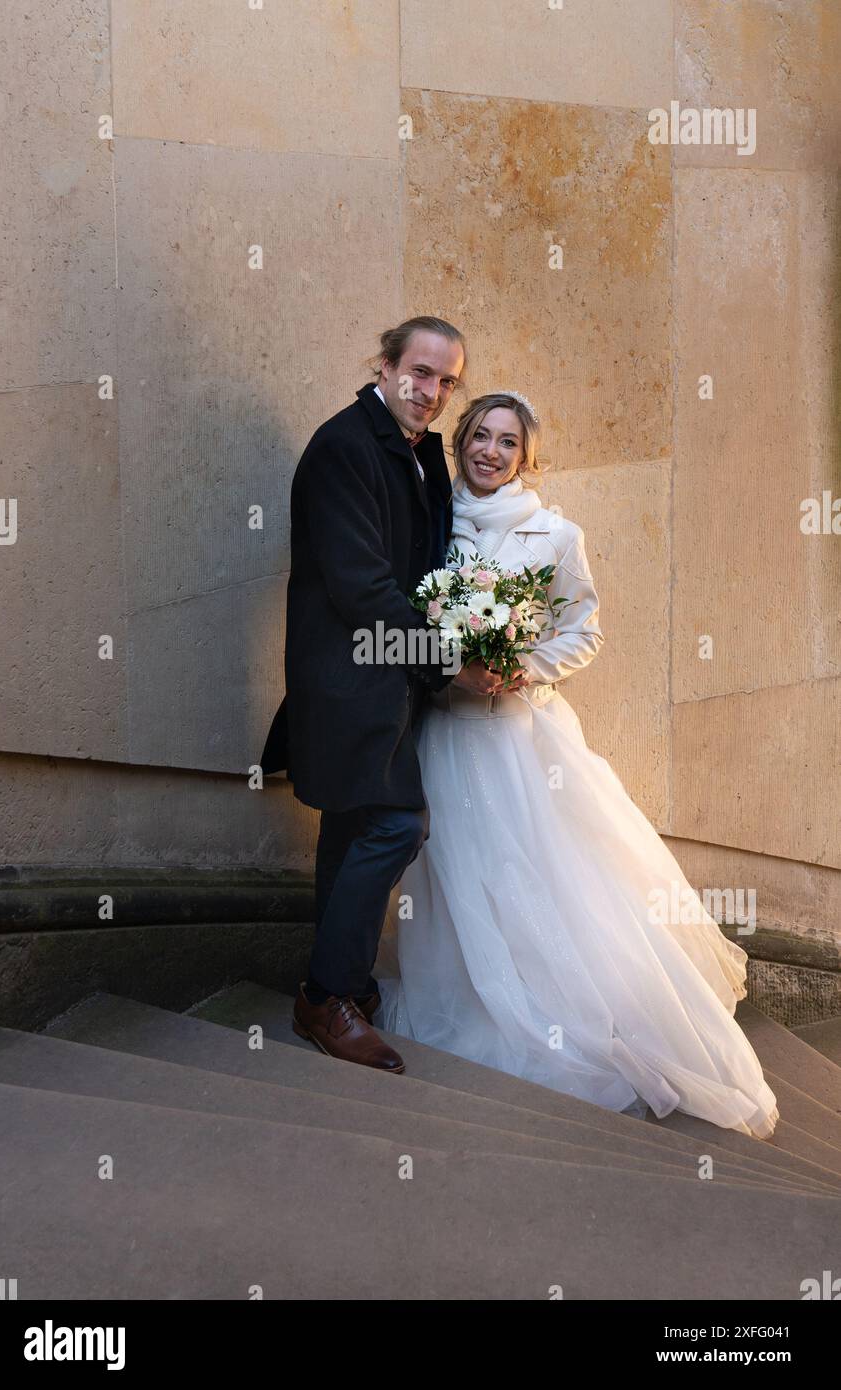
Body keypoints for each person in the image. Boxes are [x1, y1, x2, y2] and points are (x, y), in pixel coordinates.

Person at [375, 390, 779, 1139]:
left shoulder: (555, 532)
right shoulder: (429, 520)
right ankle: (475, 999)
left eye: (506, 441)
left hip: (521, 738)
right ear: (459, 441)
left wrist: (521, 665)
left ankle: (571, 1014)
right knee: (460, 879)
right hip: (443, 730)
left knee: (546, 872)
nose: (489, 451)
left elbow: (582, 632)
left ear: (528, 456)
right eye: (479, 436)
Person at [260, 318, 503, 1073]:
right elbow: (362, 587)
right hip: (350, 678)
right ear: (386, 365)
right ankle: (326, 996)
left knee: (351, 828)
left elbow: (427, 572)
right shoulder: (342, 447)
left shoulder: (420, 452)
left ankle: (343, 988)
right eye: (420, 372)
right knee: (397, 824)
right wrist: (448, 664)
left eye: (445, 380)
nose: (430, 392)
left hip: (391, 679)